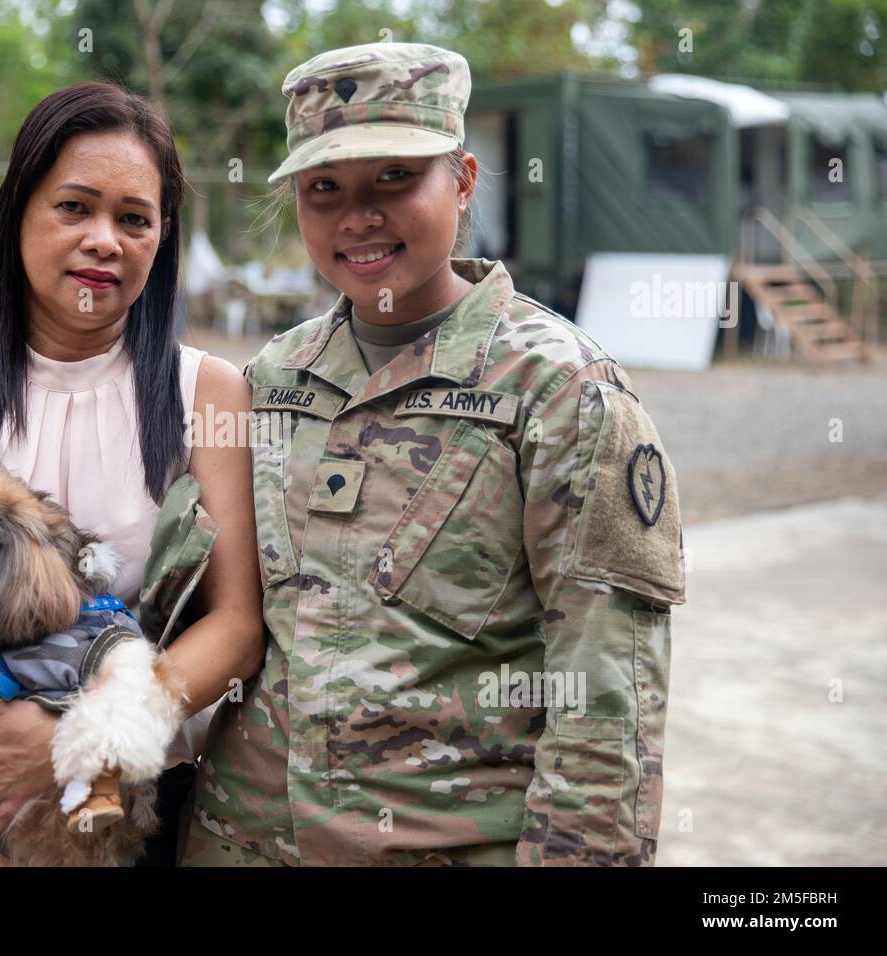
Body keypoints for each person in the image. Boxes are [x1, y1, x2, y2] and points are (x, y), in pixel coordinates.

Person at [179, 42, 687, 867]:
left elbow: (606, 705)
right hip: (239, 842)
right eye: (325, 189)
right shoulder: (270, 380)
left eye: (394, 179)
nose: (358, 216)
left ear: (463, 180)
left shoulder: (563, 393)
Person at [0, 81, 265, 867]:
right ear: (17, 215)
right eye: (74, 207)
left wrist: (83, 739)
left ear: (162, 239)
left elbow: (238, 625)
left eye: (134, 219)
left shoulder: (209, 393)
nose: (104, 239)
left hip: (140, 809)